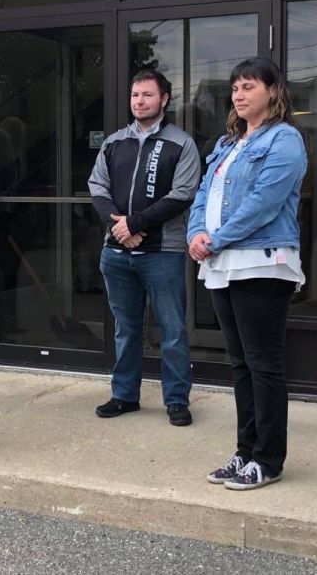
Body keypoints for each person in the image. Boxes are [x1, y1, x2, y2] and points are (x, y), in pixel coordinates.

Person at [187, 57, 307, 490]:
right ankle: (245, 451)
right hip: (221, 265)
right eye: (236, 87)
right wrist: (196, 233)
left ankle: (268, 460)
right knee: (240, 364)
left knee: (264, 365)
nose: (238, 95)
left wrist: (215, 239)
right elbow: (204, 193)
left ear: (273, 92)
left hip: (261, 262)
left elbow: (264, 203)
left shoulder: (285, 140)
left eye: (249, 86)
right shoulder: (227, 143)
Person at [88, 69, 200, 426]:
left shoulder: (181, 144)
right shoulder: (113, 143)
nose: (139, 101)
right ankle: (124, 395)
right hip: (117, 252)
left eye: (147, 95)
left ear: (164, 99)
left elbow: (183, 194)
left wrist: (134, 225)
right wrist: (119, 227)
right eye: (135, 95)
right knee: (126, 328)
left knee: (172, 329)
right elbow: (97, 188)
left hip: (162, 253)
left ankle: (177, 400)